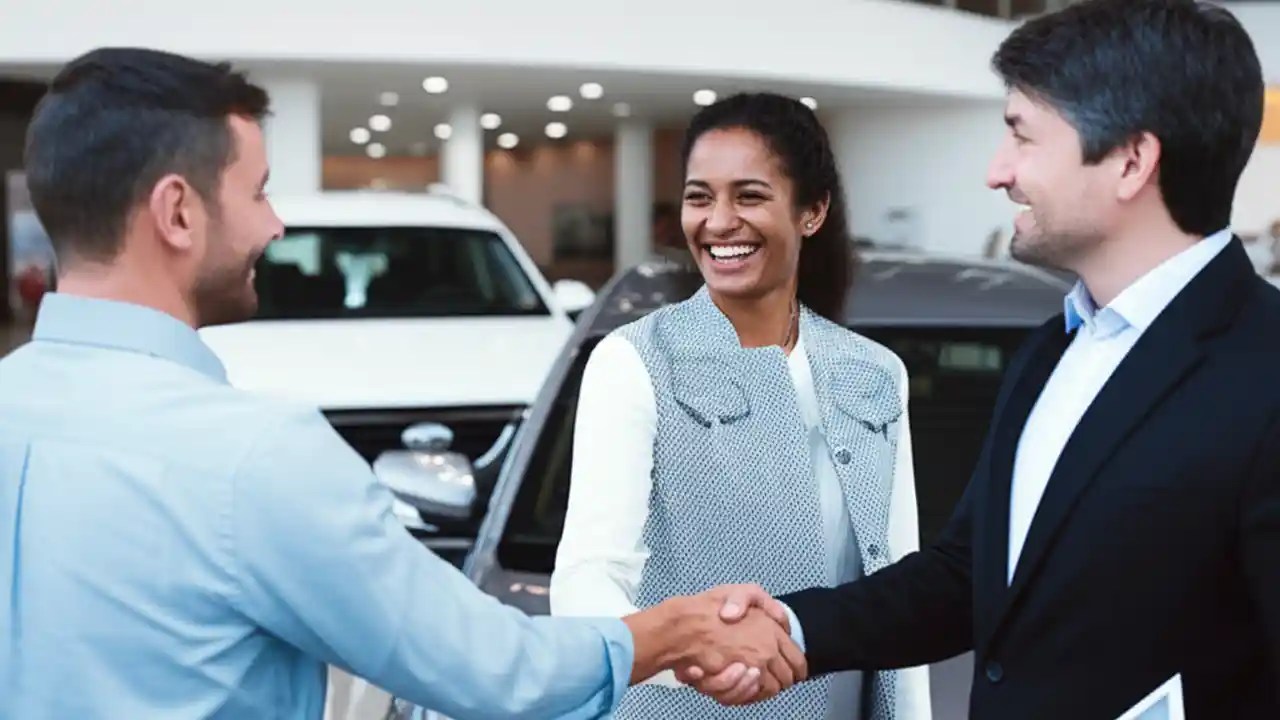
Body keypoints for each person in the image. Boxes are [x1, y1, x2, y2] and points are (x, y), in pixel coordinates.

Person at [0, 48, 807, 720]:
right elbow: (487, 669)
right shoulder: (252, 457)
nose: (274, 225)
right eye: (257, 191)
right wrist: (670, 631)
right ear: (177, 212)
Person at [694, 1, 1280, 718]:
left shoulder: (1265, 372)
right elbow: (968, 576)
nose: (998, 173)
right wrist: (794, 626)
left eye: (1022, 138)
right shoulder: (1051, 349)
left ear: (1131, 160)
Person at [549, 92, 932, 719]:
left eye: (749, 196)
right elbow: (586, 580)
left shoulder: (875, 373)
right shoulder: (634, 361)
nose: (718, 221)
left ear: (812, 211)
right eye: (700, 197)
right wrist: (692, 656)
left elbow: (900, 583)